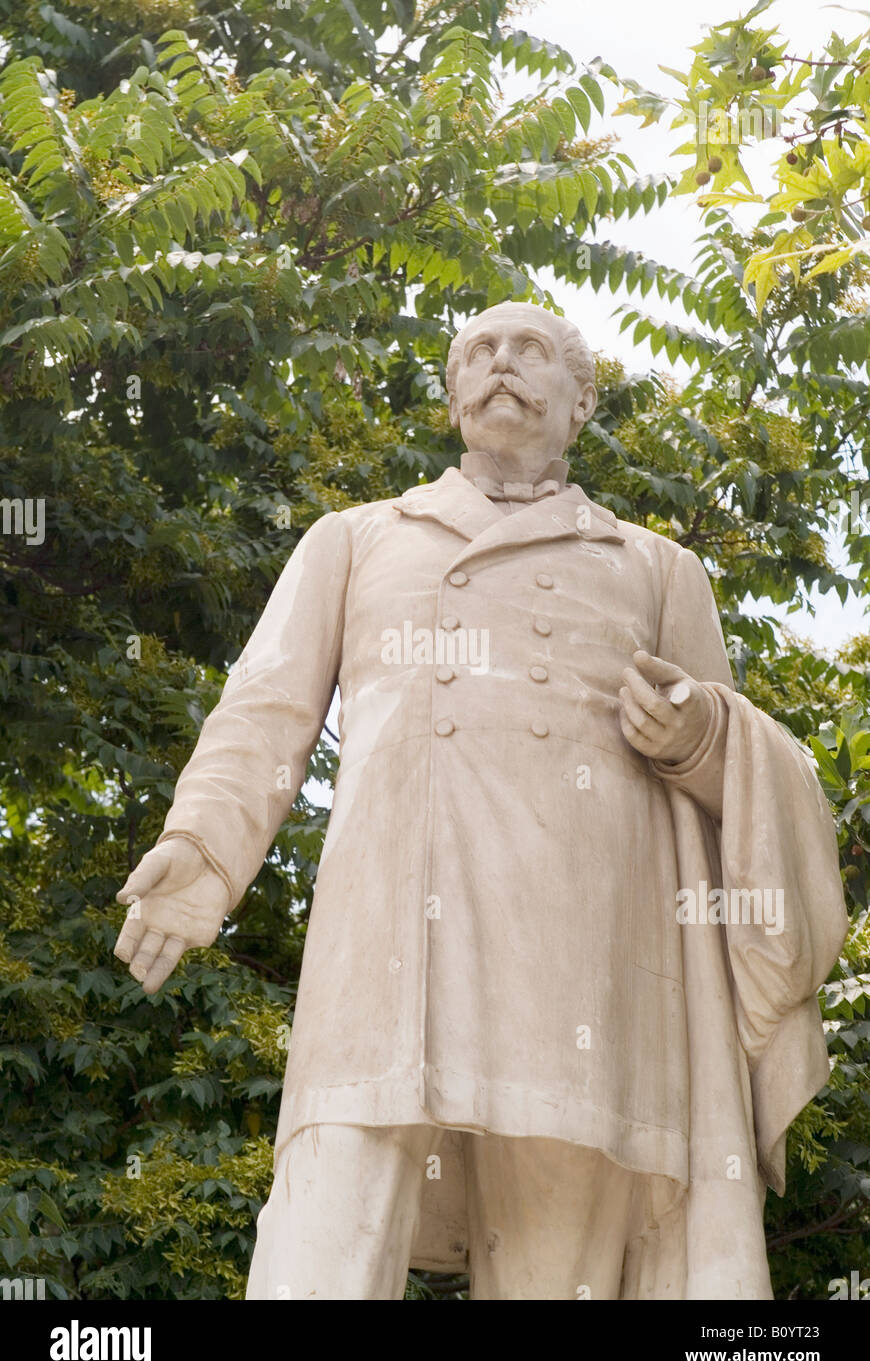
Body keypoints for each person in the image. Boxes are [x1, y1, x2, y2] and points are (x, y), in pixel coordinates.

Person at [115, 301, 848, 1299]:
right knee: (323, 1220)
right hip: (386, 943)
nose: (502, 365)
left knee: (561, 1264)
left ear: (579, 400)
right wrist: (203, 847)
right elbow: (265, 709)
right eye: (479, 351)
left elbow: (733, 790)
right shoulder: (359, 538)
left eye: (532, 351)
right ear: (453, 392)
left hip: (589, 962)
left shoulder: (657, 568)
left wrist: (707, 734)